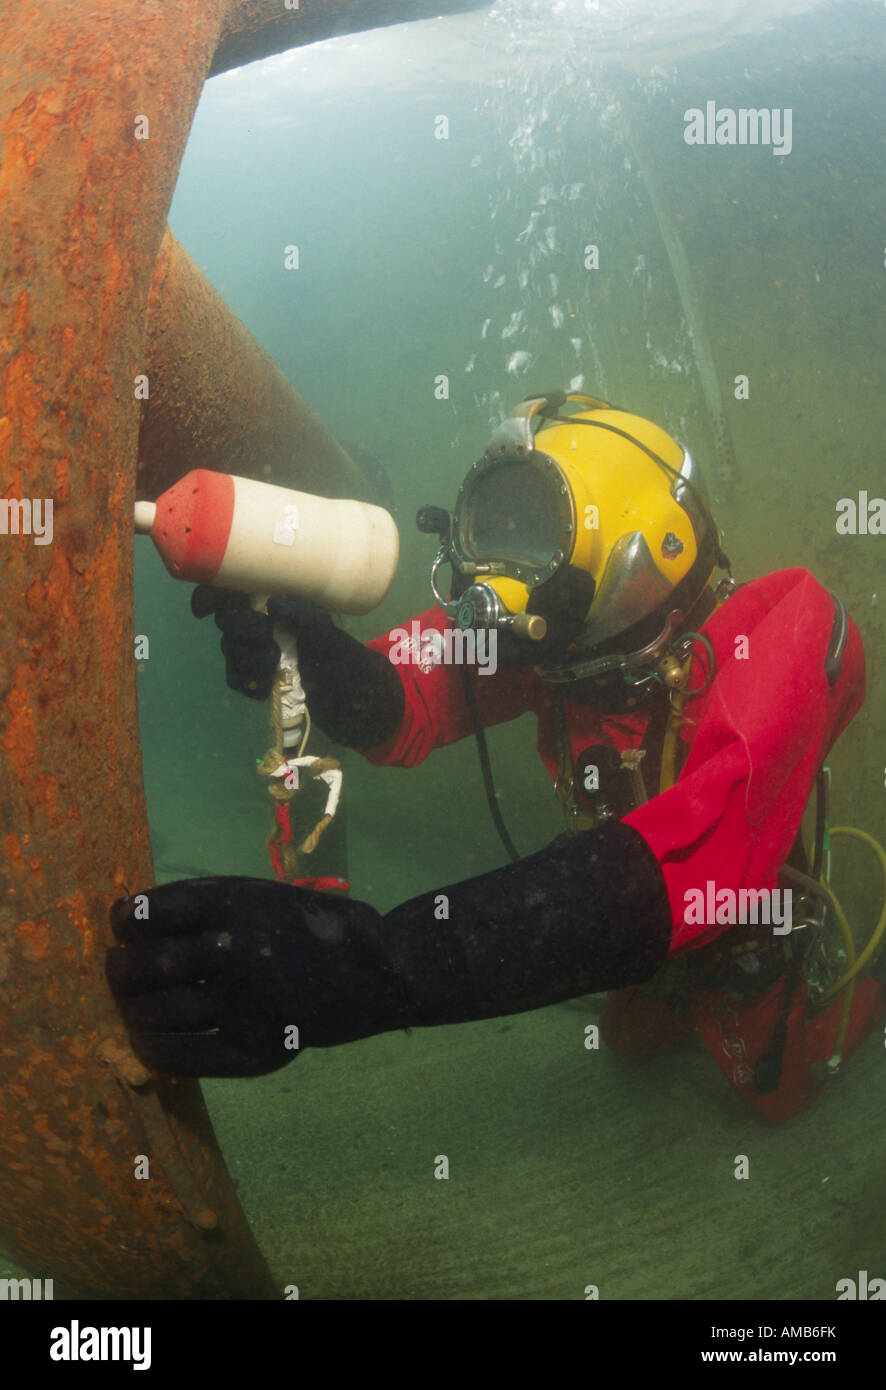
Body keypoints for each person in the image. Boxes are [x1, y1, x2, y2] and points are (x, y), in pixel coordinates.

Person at [107, 390, 884, 1122]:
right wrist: (305, 649)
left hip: (744, 914)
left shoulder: (791, 630)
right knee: (628, 1040)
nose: (498, 581)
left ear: (641, 553)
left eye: (530, 535)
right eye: (493, 532)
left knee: (773, 1090)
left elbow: (686, 861)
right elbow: (406, 699)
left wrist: (368, 968)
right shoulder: (561, 636)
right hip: (637, 917)